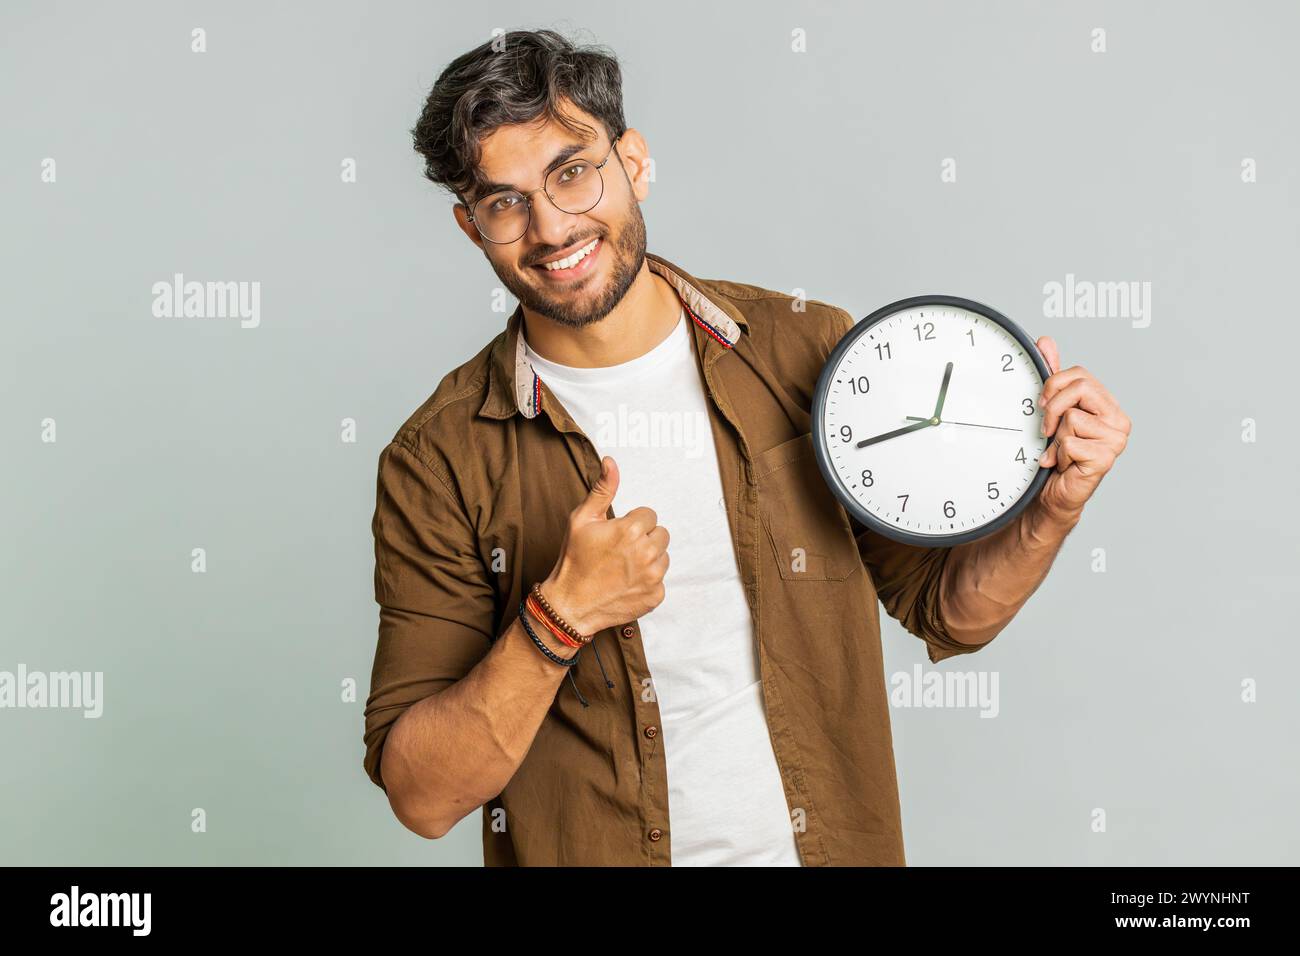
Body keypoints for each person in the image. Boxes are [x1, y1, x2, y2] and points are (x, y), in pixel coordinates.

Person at [361, 29, 1131, 866]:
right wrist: (559, 618)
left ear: (634, 162)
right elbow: (424, 796)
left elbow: (945, 612)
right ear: (472, 229)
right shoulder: (438, 460)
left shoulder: (807, 350)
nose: (550, 227)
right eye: (506, 202)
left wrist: (1051, 510)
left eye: (572, 172)